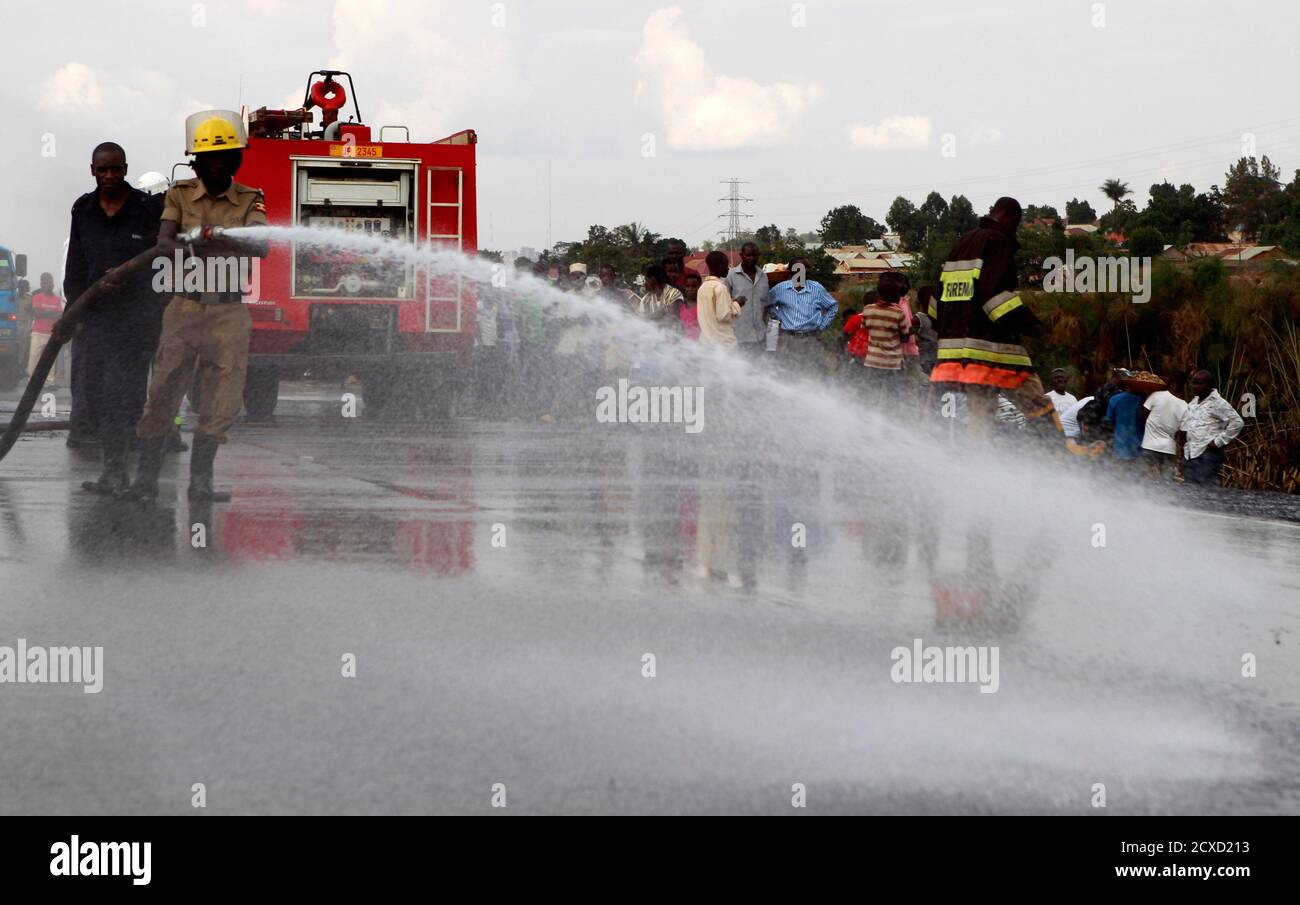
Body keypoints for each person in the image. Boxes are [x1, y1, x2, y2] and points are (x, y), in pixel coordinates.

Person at [122, 111, 269, 502]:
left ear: (238, 159)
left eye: (226, 157)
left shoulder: (252, 197)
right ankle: (146, 480)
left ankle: (201, 481)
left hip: (229, 313)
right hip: (183, 309)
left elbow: (262, 245)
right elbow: (164, 243)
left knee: (224, 398)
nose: (218, 164)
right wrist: (202, 241)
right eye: (210, 158)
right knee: (163, 391)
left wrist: (214, 236)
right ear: (197, 161)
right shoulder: (179, 194)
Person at [59, 142, 164, 492]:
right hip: (94, 317)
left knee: (126, 394)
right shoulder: (83, 209)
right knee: (96, 394)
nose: (109, 175)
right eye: (102, 169)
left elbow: (159, 262)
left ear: (125, 169)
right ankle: (111, 470)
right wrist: (75, 309)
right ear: (92, 170)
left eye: (115, 169)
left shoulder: (147, 209)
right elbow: (75, 263)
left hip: (135, 320)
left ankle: (133, 473)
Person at [927, 197, 1056, 441]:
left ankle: (979, 466)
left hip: (956, 353)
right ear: (1011, 219)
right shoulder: (998, 241)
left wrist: (947, 331)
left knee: (981, 411)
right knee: (1034, 398)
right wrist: (1030, 323)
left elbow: (936, 300)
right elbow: (993, 295)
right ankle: (1053, 454)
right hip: (992, 347)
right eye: (1016, 225)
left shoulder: (962, 243)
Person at [767, 256, 837, 374]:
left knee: (811, 372)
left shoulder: (816, 289)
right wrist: (779, 317)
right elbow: (768, 304)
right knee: (787, 371)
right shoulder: (780, 289)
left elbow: (833, 306)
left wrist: (822, 326)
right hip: (787, 338)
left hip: (810, 338)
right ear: (791, 272)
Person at [1176, 370, 1244, 486]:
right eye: (1194, 383)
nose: (1195, 386)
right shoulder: (1194, 402)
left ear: (1209, 385)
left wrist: (1218, 441)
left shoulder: (1218, 403)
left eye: (1199, 384)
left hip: (1207, 454)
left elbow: (1237, 422)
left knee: (1206, 491)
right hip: (1190, 453)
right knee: (1189, 491)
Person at [859, 271, 909, 399]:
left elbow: (864, 327)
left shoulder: (868, 309)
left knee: (872, 395)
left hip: (872, 361)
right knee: (894, 396)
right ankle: (891, 417)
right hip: (893, 363)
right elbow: (905, 336)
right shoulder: (898, 312)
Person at [725, 242, 770, 355]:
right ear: (741, 255)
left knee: (759, 370)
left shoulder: (763, 276)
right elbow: (725, 304)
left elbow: (765, 305)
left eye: (755, 255)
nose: (752, 258)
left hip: (760, 337)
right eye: (748, 255)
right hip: (739, 337)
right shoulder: (731, 276)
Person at [1140, 373, 1187, 480]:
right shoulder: (1185, 406)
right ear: (1183, 385)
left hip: (1149, 446)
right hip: (1169, 449)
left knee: (1145, 481)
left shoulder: (1156, 396)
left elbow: (1142, 416)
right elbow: (1183, 433)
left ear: (1169, 382)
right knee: (1165, 485)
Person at [696, 251, 741, 346]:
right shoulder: (720, 288)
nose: (728, 269)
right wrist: (737, 304)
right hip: (723, 344)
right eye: (726, 265)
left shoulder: (702, 288)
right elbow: (723, 315)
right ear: (720, 266)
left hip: (706, 343)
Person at [26, 273, 63, 387]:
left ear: (52, 284)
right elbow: (37, 313)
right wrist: (51, 313)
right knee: (33, 357)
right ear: (42, 285)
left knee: (49, 358)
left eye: (50, 282)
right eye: (45, 283)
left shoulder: (58, 299)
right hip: (37, 332)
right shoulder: (37, 297)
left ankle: (49, 381)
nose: (48, 285)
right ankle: (31, 379)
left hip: (51, 333)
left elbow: (59, 315)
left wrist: (45, 313)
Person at [1103, 383, 1143, 467]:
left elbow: (1109, 421)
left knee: (1119, 471)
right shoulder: (1143, 401)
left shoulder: (1115, 399)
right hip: (1138, 443)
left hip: (1119, 442)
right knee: (1134, 472)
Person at [677, 271, 702, 341]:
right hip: (684, 345)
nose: (690, 289)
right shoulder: (680, 306)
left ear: (699, 287)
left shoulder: (702, 305)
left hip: (699, 345)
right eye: (688, 286)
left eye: (694, 286)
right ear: (684, 287)